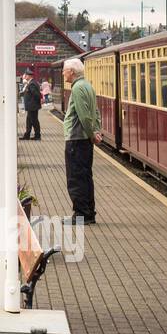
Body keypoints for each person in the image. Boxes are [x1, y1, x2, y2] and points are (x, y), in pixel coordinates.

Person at [63, 57, 101, 224]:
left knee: (76, 178)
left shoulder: (77, 88)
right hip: (84, 140)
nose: (63, 73)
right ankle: (89, 213)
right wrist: (96, 130)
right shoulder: (88, 86)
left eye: (64, 70)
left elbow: (84, 115)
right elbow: (96, 111)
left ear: (71, 71)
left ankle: (81, 215)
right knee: (86, 177)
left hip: (76, 139)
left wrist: (92, 133)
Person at [20, 70, 42, 140]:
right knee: (29, 121)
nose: (24, 77)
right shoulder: (30, 83)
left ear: (29, 76)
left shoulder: (32, 84)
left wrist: (35, 103)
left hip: (32, 106)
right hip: (31, 106)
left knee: (34, 121)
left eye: (26, 75)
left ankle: (37, 136)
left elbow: (36, 94)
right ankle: (27, 135)